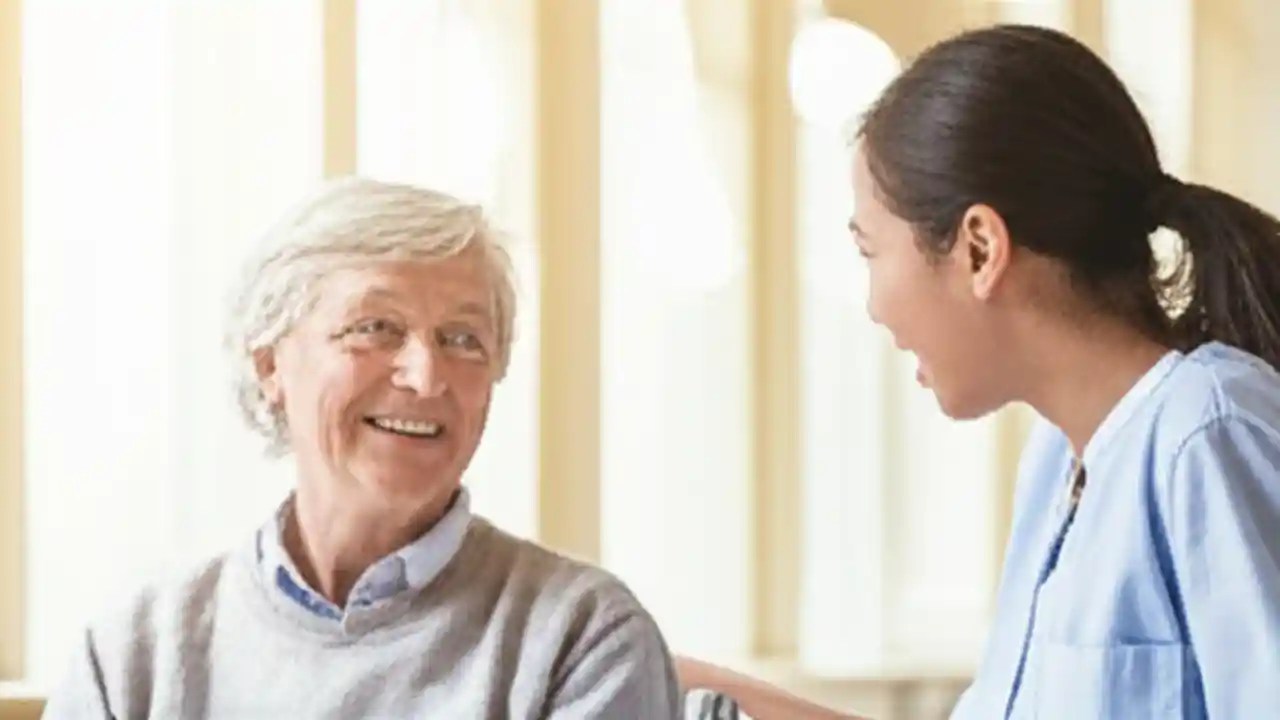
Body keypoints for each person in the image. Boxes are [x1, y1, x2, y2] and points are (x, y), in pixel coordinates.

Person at [679, 24, 1280, 719]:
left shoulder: (1207, 432)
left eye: (870, 253)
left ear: (979, 248)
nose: (874, 307)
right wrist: (716, 691)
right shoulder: (1057, 465)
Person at [43, 178, 681, 719]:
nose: (426, 376)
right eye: (375, 328)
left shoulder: (583, 638)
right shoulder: (133, 653)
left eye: (463, 340)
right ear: (270, 366)